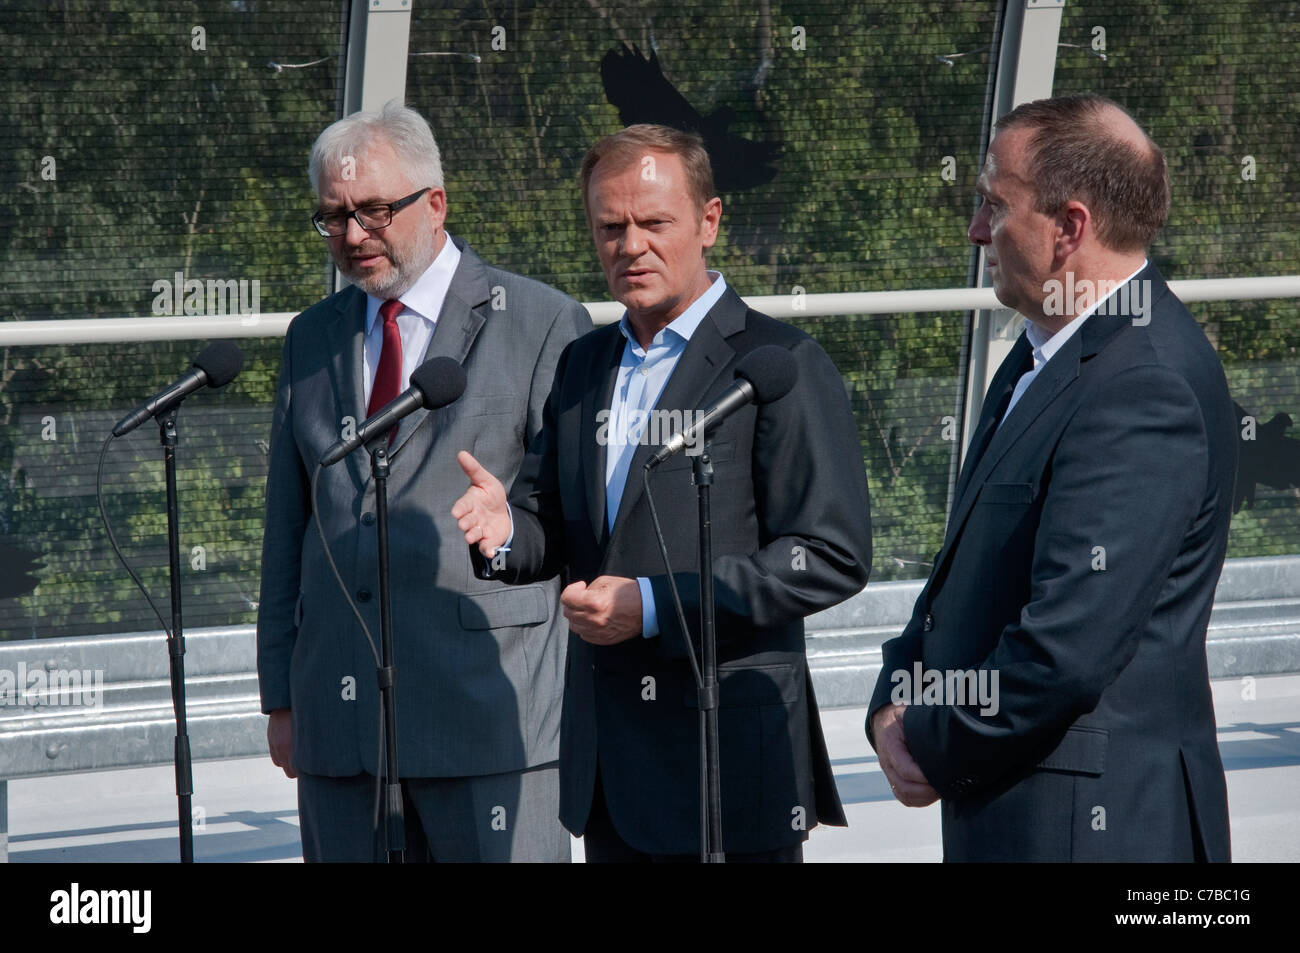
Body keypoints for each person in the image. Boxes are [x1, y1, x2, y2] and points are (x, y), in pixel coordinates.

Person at [452, 124, 872, 861]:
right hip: (610, 767)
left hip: (727, 764)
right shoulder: (583, 364)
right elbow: (556, 520)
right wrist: (507, 531)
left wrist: (650, 606)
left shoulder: (778, 364)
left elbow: (829, 553)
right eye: (610, 226)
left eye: (653, 222)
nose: (630, 245)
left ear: (709, 221)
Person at [867, 94, 1235, 861]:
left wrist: (929, 732)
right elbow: (966, 570)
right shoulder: (1048, 347)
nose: (975, 232)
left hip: (1090, 830)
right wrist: (899, 686)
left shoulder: (1144, 383)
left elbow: (1064, 650)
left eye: (994, 206)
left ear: (1069, 227)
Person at [256, 102, 591, 862]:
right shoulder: (311, 338)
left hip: (490, 718)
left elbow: (575, 523)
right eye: (334, 217)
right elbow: (288, 531)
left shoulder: (542, 322)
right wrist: (281, 692)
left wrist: (506, 529)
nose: (351, 235)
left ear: (434, 202)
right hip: (339, 728)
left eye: (373, 211)